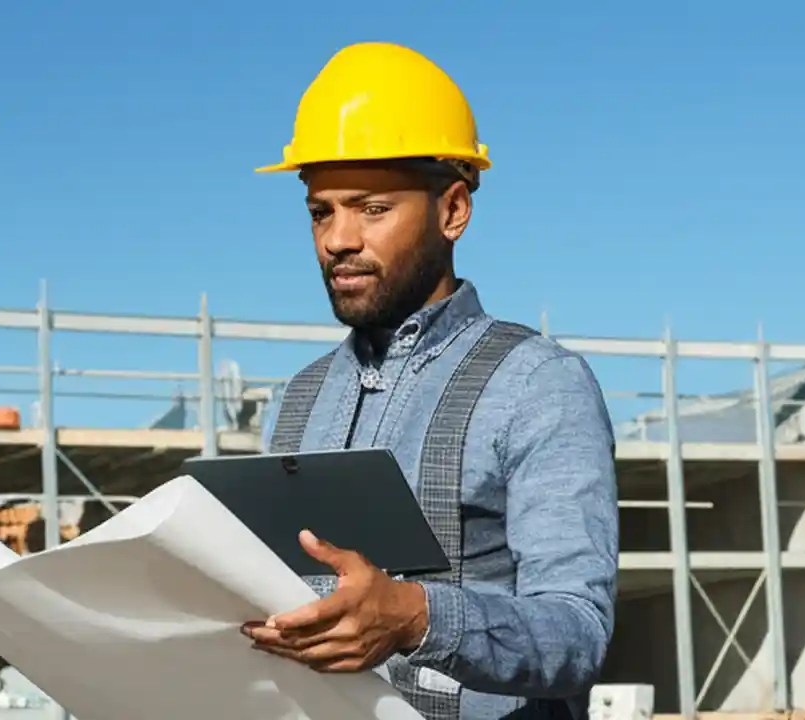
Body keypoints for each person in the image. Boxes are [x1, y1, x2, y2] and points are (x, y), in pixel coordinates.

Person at [241, 42, 619, 719]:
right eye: (321, 211)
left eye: (372, 208)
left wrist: (417, 618)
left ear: (453, 210)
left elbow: (578, 634)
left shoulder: (537, 383)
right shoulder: (297, 400)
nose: (338, 239)